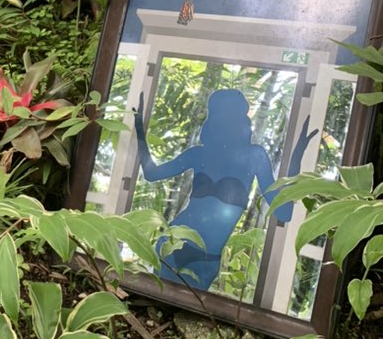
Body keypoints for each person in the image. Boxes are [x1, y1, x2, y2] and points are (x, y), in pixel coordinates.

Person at [134, 88, 316, 291]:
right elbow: (151, 174)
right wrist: (138, 129)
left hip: (206, 259)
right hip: (173, 243)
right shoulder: (200, 154)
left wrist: (297, 156)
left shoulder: (254, 156)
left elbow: (284, 212)